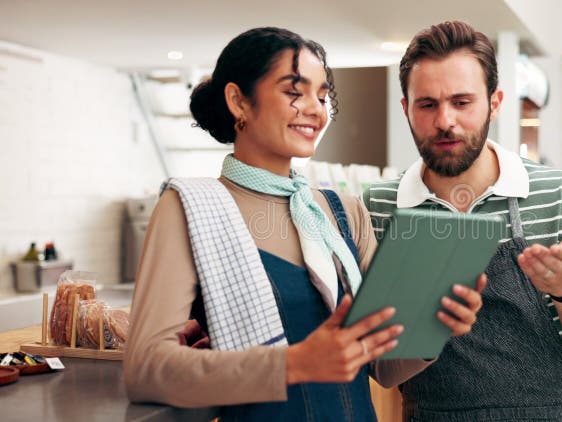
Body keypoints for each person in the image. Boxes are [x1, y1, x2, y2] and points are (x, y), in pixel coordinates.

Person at [123, 27, 485, 421]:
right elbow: (146, 369)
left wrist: (433, 326)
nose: (315, 109)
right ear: (238, 101)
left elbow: (382, 366)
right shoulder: (190, 207)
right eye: (295, 91)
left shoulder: (344, 212)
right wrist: (293, 363)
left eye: (323, 95)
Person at [362, 21, 562, 421]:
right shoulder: (378, 207)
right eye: (428, 104)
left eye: (462, 102)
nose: (445, 121)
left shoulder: (555, 192)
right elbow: (376, 359)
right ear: (406, 109)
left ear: (495, 102)